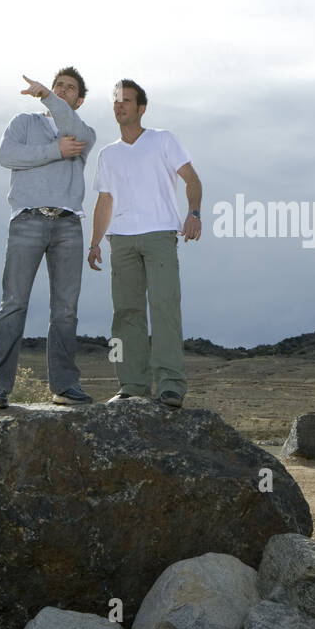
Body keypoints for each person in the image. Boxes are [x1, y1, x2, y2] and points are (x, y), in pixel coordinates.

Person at [0, 68, 97, 409]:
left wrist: (49, 96)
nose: (61, 90)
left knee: (65, 309)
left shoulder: (82, 132)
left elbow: (73, 135)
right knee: (14, 303)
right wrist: (55, 151)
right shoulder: (23, 123)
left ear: (79, 99)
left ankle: (65, 385)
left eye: (69, 88)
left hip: (68, 225)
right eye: (58, 85)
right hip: (28, 219)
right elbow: (7, 156)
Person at [88, 79, 201, 407]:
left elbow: (192, 180)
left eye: (126, 100)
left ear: (141, 107)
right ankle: (132, 385)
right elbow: (104, 201)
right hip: (120, 240)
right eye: (115, 101)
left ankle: (170, 385)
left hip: (160, 235)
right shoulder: (108, 154)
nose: (119, 105)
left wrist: (193, 213)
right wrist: (95, 243)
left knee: (165, 306)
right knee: (125, 313)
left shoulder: (163, 140)